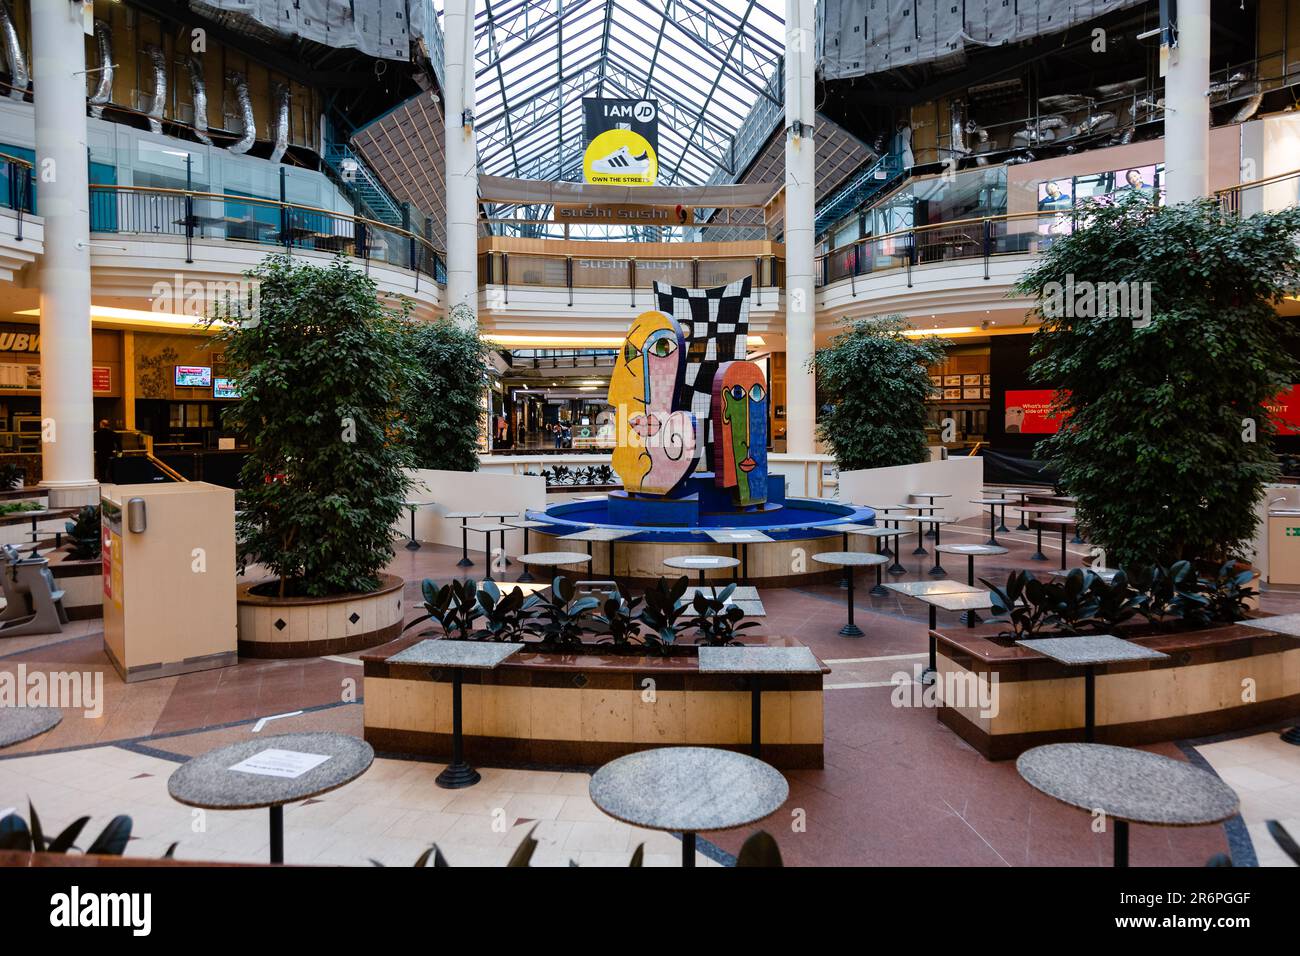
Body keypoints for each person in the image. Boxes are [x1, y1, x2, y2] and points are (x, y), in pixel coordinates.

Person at [93, 419, 118, 483]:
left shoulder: (97, 433)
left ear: (102, 425)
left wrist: (95, 450)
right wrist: (119, 451)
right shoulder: (112, 433)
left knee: (101, 467)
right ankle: (110, 479)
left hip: (100, 452)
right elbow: (117, 442)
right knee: (109, 466)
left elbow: (94, 443)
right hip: (109, 452)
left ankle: (102, 479)